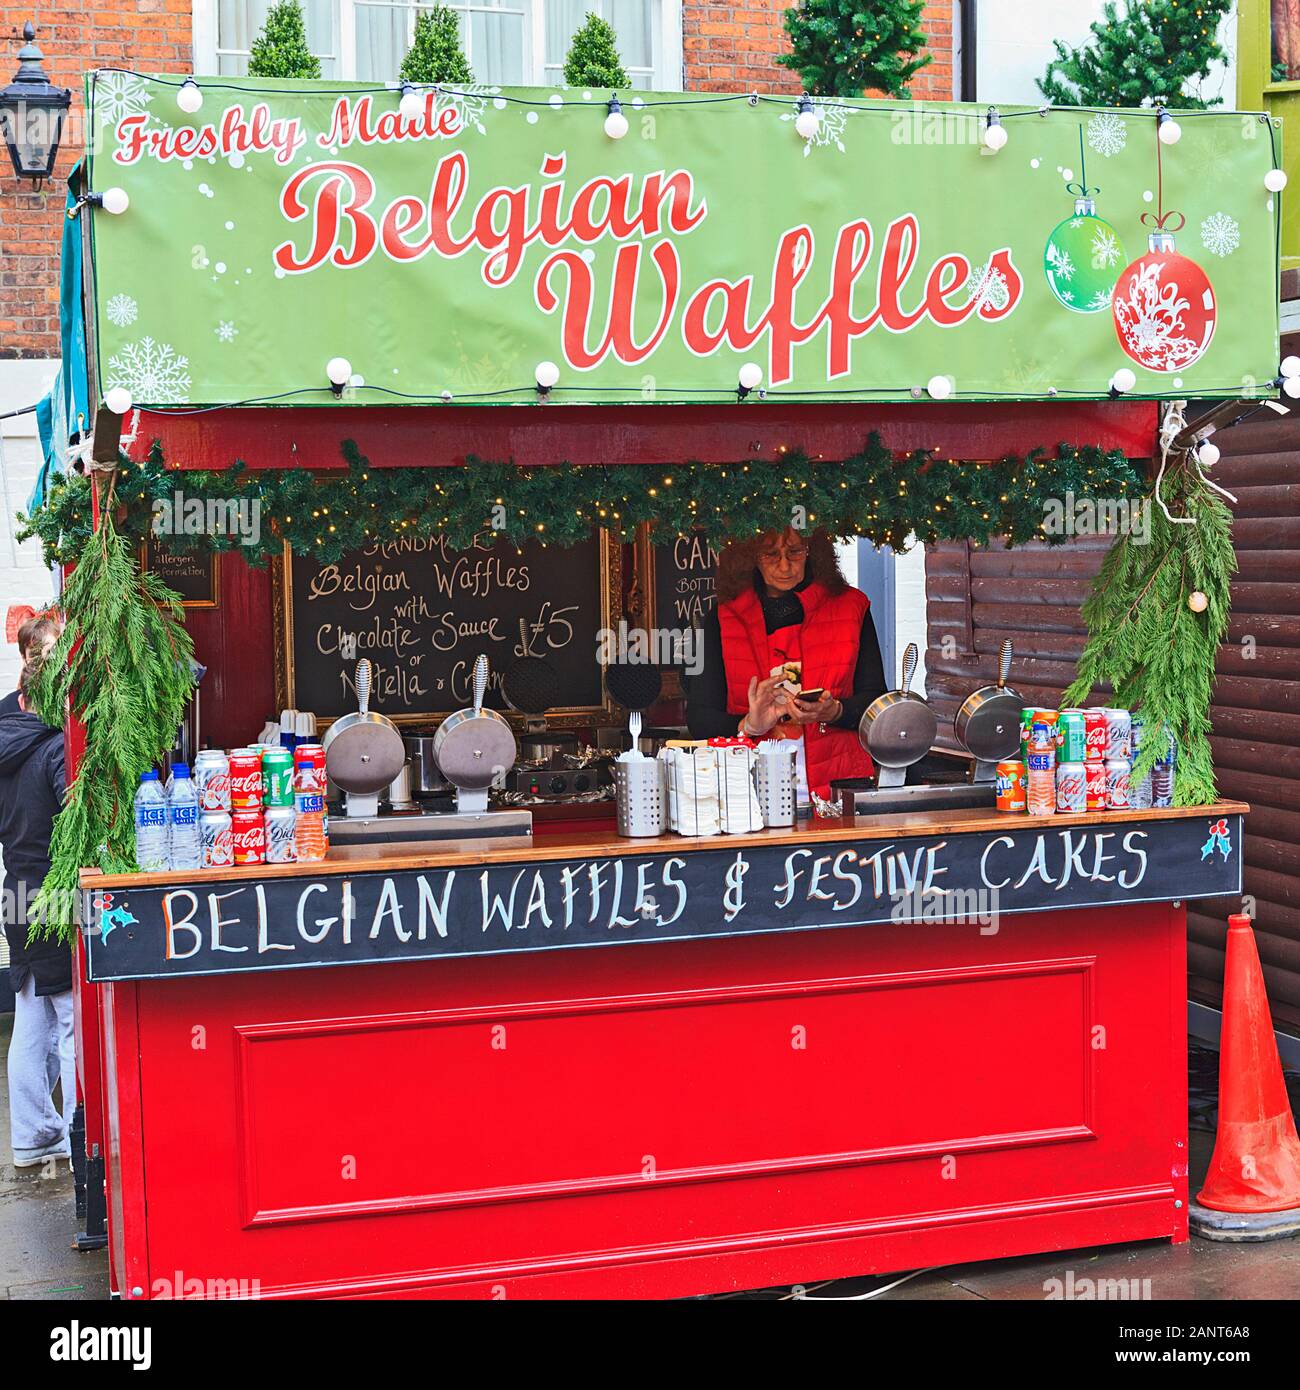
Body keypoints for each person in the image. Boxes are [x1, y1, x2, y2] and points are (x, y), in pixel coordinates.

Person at [686, 528, 888, 800]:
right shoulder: (721, 620)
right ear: (751, 557)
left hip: (840, 787)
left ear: (812, 552)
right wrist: (749, 725)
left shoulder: (852, 608)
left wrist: (836, 711)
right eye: (771, 554)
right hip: (748, 794)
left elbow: (876, 702)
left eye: (794, 551)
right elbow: (700, 719)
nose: (784, 565)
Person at [0, 657, 74, 1168]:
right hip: (54, 894)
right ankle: (78, 1137)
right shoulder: (53, 747)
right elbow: (76, 824)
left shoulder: (4, 742)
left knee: (30, 1011)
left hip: (15, 893)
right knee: (71, 1019)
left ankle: (31, 1135)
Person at [0, 612, 62, 717]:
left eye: (50, 652)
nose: (43, 660)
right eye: (35, 654)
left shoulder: (76, 703)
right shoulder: (5, 709)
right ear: (24, 657)